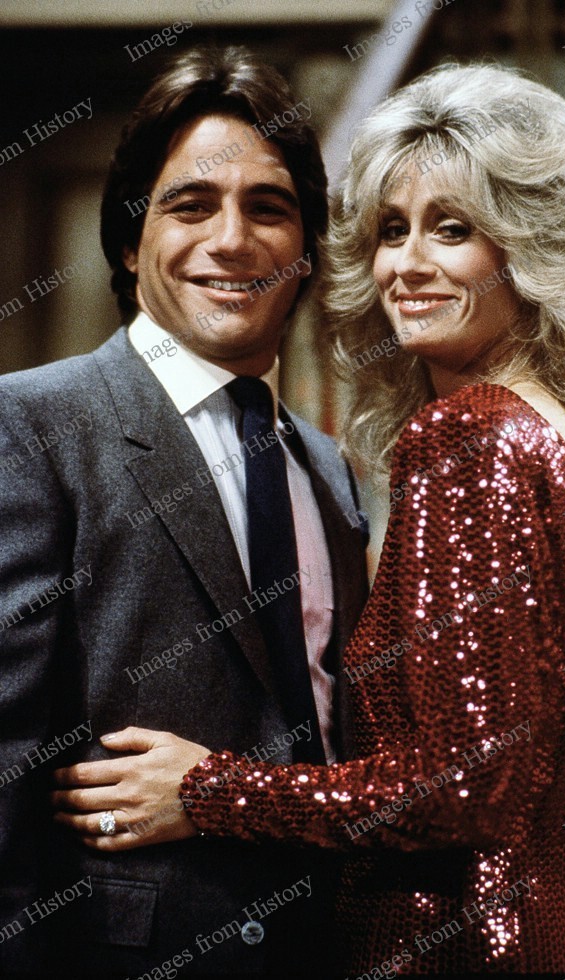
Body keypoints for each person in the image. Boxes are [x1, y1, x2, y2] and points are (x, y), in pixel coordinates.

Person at [51, 62, 565, 974]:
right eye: (390, 231)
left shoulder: (469, 436)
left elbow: (468, 788)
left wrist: (209, 792)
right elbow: (519, 762)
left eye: (454, 229)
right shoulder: (547, 429)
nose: (407, 264)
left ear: (530, 248)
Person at [0, 45, 370, 978]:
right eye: (192, 205)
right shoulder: (33, 424)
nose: (232, 239)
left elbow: (351, 727)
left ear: (306, 252)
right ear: (131, 243)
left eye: (269, 207)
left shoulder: (329, 470)